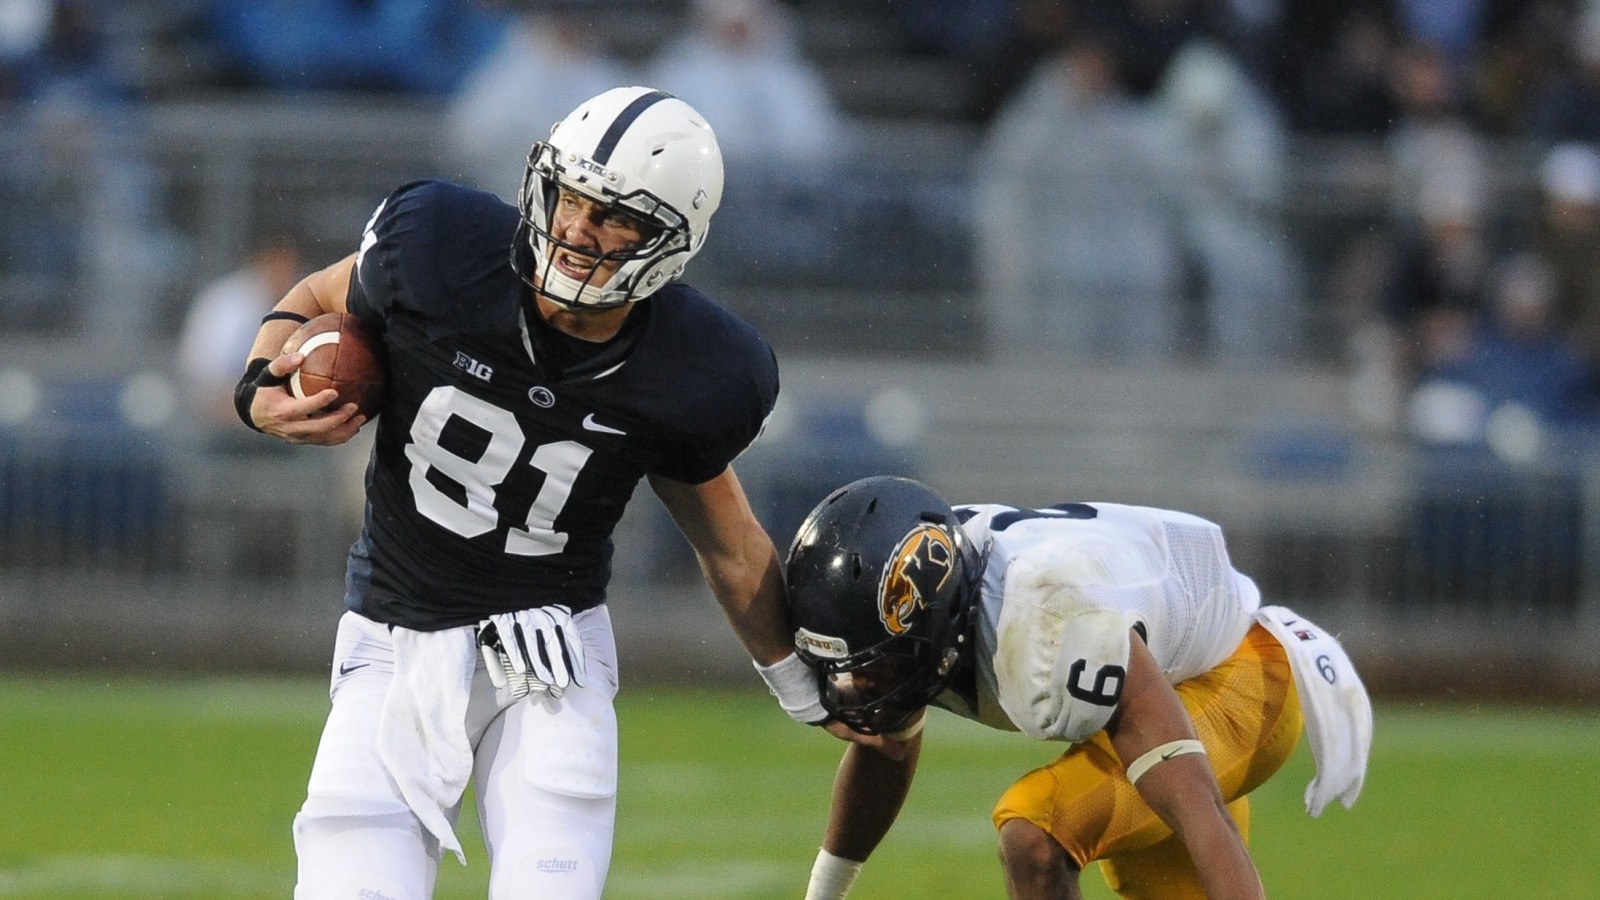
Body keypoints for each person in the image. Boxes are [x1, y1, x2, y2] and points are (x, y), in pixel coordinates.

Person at [231, 86, 867, 900]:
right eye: (571, 197)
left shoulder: (697, 368)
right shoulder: (441, 249)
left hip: (550, 655)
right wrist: (257, 387)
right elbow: (323, 293)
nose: (575, 228)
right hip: (391, 639)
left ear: (670, 242)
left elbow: (731, 546)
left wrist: (801, 687)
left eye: (615, 217)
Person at [783, 476, 1373, 900]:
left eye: (872, 667)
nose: (855, 686)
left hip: (1238, 678)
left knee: (1035, 832)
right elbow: (886, 752)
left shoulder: (1050, 618)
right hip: (1172, 675)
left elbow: (1195, 802)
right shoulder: (933, 590)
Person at [176, 233, 306, 437]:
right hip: (217, 421)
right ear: (264, 262)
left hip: (268, 414)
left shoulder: (293, 301)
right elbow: (207, 381)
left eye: (292, 266)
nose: (289, 274)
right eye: (282, 265)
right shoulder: (232, 305)